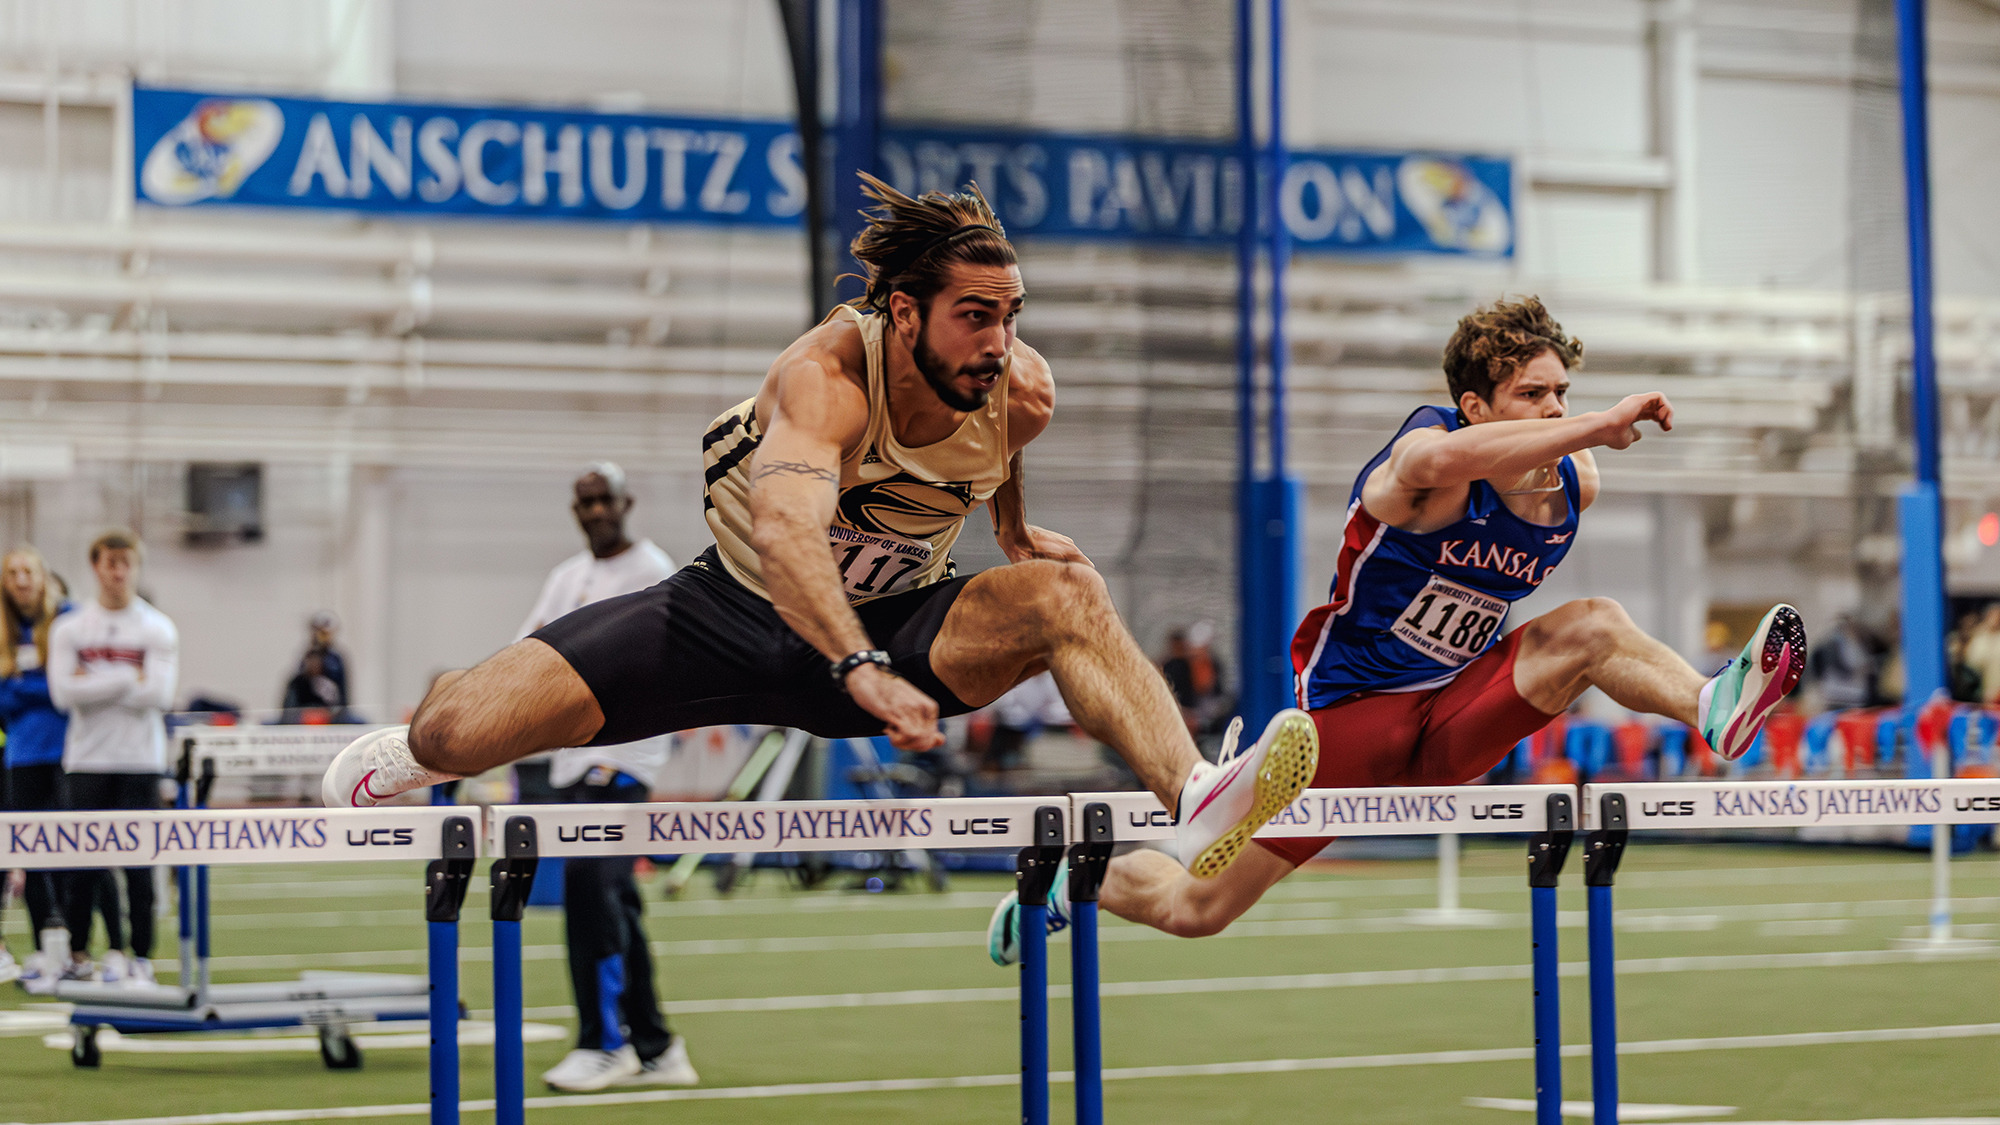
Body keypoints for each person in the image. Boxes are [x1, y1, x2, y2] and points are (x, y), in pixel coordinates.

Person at [323, 174, 1318, 896]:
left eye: (1011, 316)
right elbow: (788, 531)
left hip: (899, 623)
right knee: (457, 732)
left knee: (1066, 598)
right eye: (973, 318)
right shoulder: (825, 382)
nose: (998, 343)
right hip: (731, 612)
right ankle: (407, 751)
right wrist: (851, 665)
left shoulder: (1019, 393)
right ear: (900, 311)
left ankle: (1195, 793)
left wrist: (1013, 531)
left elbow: (995, 454)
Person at [988, 296, 1806, 959]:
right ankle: (1072, 886)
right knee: (1198, 910)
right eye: (1533, 395)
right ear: (1473, 408)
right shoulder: (1426, 467)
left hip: (1454, 714)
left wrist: (1578, 436)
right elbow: (1433, 463)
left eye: (1561, 393)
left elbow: (1567, 461)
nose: (1556, 410)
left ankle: (1713, 704)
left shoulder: (1571, 483)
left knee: (1593, 625)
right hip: (1345, 729)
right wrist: (1594, 421)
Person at [516, 462, 695, 1093]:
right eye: (585, 502)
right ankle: (656, 1044)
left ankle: (604, 1041)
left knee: (592, 891)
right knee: (613, 900)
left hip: (621, 760)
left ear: (627, 502)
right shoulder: (567, 577)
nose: (596, 511)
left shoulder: (653, 571)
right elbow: (528, 650)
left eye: (604, 501)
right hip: (569, 758)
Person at [48, 530, 179, 986]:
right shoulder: (70, 628)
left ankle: (140, 956)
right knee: (82, 862)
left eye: (127, 563)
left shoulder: (158, 627)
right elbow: (64, 694)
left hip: (141, 759)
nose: (118, 571)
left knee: (139, 863)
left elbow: (159, 694)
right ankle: (80, 954)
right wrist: (128, 676)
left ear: (136, 567)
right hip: (86, 759)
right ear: (96, 566)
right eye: (110, 563)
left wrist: (97, 677)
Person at [0, 546, 72, 990]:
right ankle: (44, 951)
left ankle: (73, 950)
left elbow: (64, 691)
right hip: (21, 757)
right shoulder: (7, 631)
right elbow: (3, 699)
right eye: (12, 573)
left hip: (68, 755)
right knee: (28, 853)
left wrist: (25, 686)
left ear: (42, 576)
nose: (20, 579)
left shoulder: (66, 622)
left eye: (27, 570)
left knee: (75, 852)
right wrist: (33, 687)